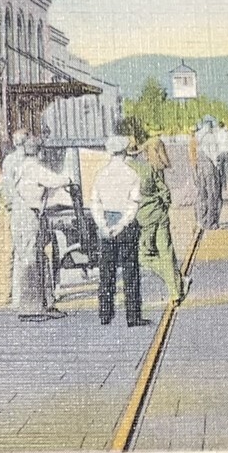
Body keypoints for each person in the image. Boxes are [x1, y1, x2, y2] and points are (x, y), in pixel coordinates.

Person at [8, 133, 71, 319]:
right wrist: (69, 179)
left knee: (37, 258)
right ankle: (31, 308)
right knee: (31, 260)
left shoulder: (23, 166)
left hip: (22, 215)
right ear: (39, 152)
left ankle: (44, 302)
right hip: (28, 216)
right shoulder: (34, 168)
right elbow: (55, 180)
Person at [90, 136, 147, 327]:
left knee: (106, 273)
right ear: (124, 152)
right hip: (126, 227)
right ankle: (133, 316)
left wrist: (104, 225)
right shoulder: (132, 175)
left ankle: (105, 314)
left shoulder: (101, 175)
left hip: (105, 226)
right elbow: (134, 204)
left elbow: (95, 204)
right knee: (130, 272)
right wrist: (121, 224)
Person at [133, 140, 185, 307]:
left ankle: (175, 281)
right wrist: (163, 206)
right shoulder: (154, 167)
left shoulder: (132, 170)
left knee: (145, 256)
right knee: (167, 252)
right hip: (160, 216)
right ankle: (175, 291)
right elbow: (165, 192)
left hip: (144, 218)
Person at [190, 116, 223, 230]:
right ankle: (211, 222)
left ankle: (201, 220)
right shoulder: (210, 136)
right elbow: (214, 154)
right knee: (212, 194)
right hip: (209, 167)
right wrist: (218, 167)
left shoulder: (197, 135)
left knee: (201, 194)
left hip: (200, 167)